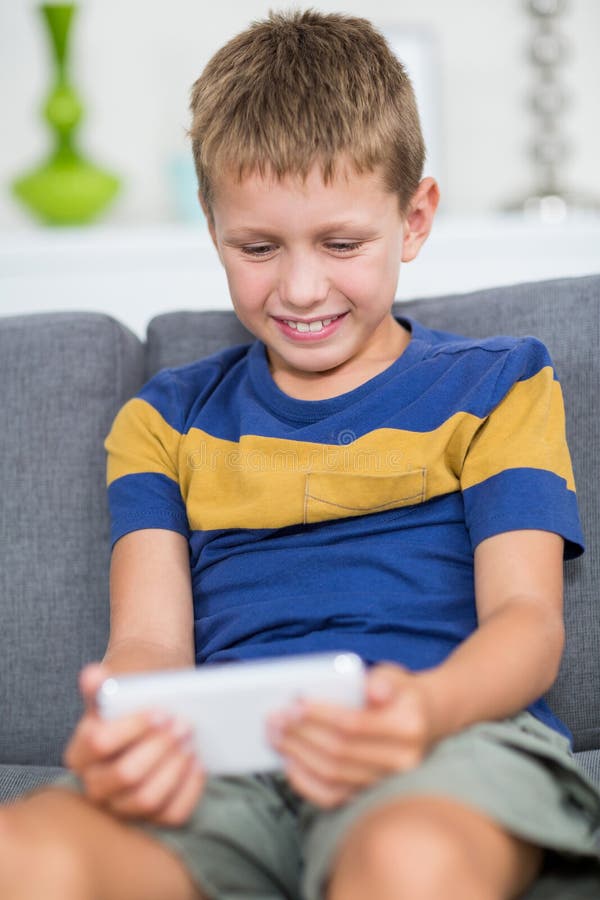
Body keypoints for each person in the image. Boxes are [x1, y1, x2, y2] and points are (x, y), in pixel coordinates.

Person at [2, 8, 600, 900]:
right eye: (257, 247)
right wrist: (129, 724)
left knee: (405, 861)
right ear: (212, 226)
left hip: (448, 741)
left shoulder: (501, 384)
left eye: (341, 243)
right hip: (230, 766)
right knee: (25, 852)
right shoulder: (161, 424)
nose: (302, 287)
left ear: (417, 216)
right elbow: (150, 643)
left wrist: (423, 710)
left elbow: (527, 623)